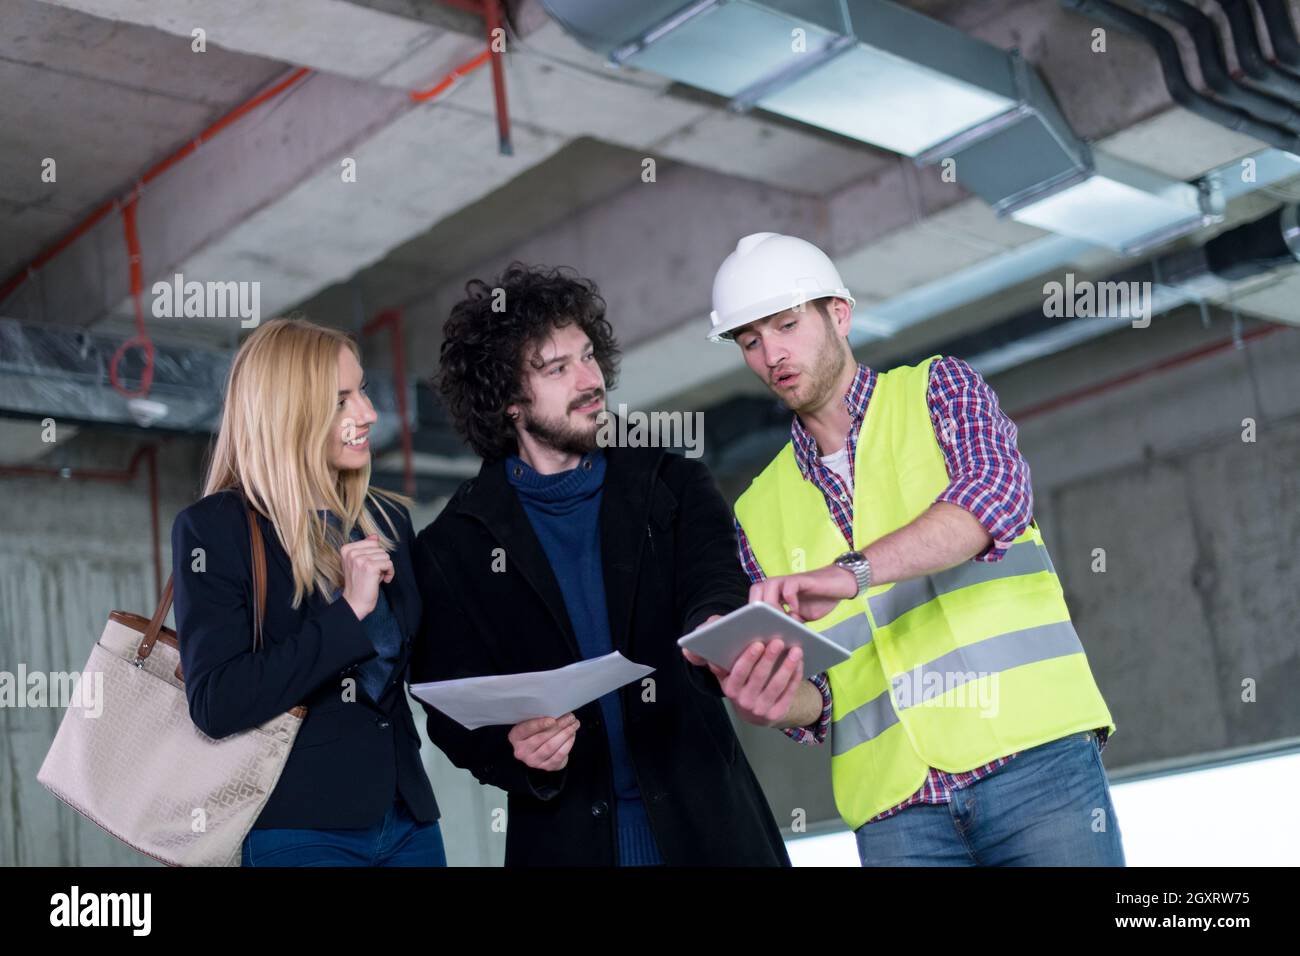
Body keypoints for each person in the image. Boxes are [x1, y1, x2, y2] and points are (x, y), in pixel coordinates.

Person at [690, 232, 1124, 866]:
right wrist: (776, 700)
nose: (771, 353)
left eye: (786, 324)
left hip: (1031, 764)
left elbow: (993, 499)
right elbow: (820, 702)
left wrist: (853, 573)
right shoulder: (757, 510)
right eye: (750, 340)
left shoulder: (937, 390)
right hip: (896, 813)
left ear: (838, 313)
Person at [411, 263, 790, 866]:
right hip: (565, 846)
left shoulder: (672, 481)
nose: (590, 380)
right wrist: (512, 751)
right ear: (508, 402)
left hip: (709, 832)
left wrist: (715, 627)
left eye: (588, 357)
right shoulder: (449, 548)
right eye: (558, 369)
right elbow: (452, 710)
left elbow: (714, 579)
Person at [171, 317, 444, 867]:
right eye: (342, 400)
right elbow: (216, 702)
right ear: (289, 412)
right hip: (298, 827)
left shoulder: (386, 520)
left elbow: (430, 670)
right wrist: (349, 612)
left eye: (362, 390)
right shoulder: (216, 528)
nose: (367, 412)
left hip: (408, 819)